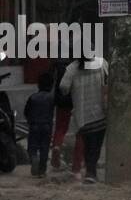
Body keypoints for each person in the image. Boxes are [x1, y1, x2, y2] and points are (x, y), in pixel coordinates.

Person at [59, 56, 107, 184]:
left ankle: (90, 172)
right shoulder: (101, 63)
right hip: (100, 113)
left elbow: (63, 88)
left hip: (82, 115)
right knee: (96, 145)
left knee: (87, 144)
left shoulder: (72, 68)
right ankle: (91, 171)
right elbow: (109, 81)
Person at [23, 71, 56, 177]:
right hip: (47, 125)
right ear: (51, 85)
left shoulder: (33, 97)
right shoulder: (51, 98)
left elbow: (26, 112)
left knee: (32, 146)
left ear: (38, 85)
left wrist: (29, 120)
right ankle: (42, 170)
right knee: (44, 147)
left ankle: (34, 158)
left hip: (34, 125)